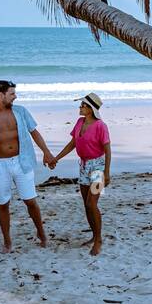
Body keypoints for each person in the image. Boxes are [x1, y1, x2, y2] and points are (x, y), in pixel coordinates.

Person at [0, 80, 55, 252]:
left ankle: (42, 234)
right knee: (3, 203)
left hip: (21, 162)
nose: (15, 96)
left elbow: (34, 132)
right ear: (0, 95)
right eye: (11, 93)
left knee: (30, 201)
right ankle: (7, 241)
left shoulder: (21, 112)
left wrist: (46, 152)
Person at [48, 91, 111, 256]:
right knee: (86, 205)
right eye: (81, 104)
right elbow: (72, 144)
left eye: (83, 105)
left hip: (98, 166)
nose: (80, 107)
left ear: (91, 109)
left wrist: (107, 173)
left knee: (92, 204)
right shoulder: (79, 122)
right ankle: (94, 235)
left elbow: (108, 150)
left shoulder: (100, 126)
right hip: (83, 166)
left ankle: (98, 240)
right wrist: (56, 158)